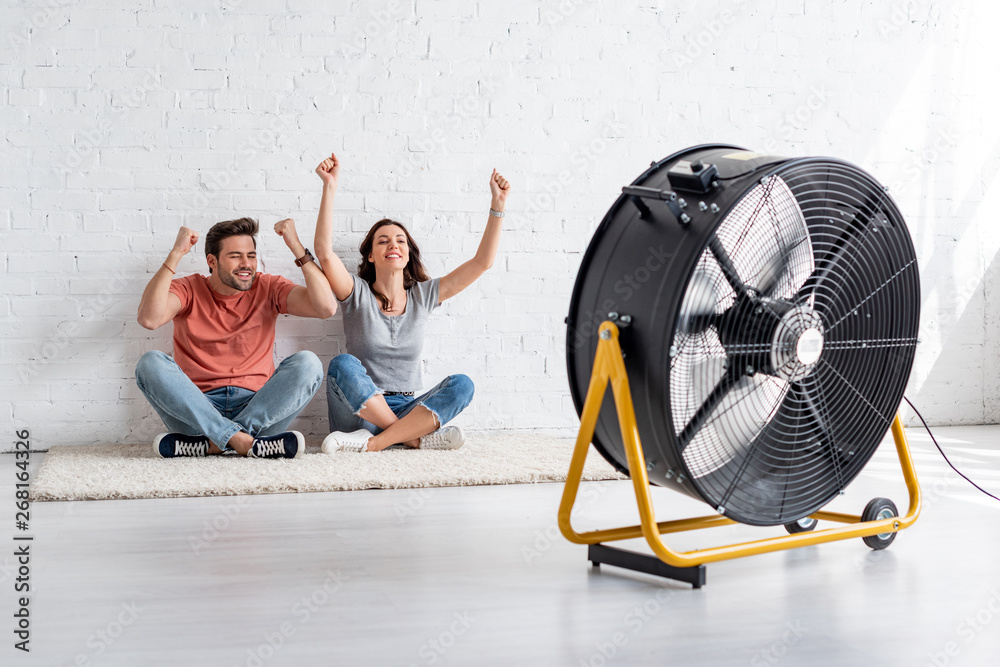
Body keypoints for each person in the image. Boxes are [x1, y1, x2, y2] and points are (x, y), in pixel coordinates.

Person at [314, 153, 511, 453]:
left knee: (462, 384)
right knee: (342, 365)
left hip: (407, 406)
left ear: (407, 254)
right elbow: (324, 253)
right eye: (383, 240)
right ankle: (411, 439)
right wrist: (329, 187)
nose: (393, 244)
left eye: (400, 240)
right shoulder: (357, 293)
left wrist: (497, 207)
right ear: (370, 255)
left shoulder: (423, 296)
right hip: (360, 414)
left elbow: (482, 262)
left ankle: (379, 442)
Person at [135, 216, 337, 458]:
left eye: (251, 255)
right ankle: (244, 442)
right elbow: (149, 319)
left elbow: (326, 308)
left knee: (308, 364)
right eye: (235, 256)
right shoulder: (189, 289)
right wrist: (176, 253)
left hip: (258, 409)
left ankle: (215, 443)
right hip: (198, 411)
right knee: (151, 363)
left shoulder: (268, 287)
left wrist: (296, 247)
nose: (246, 264)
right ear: (212, 261)